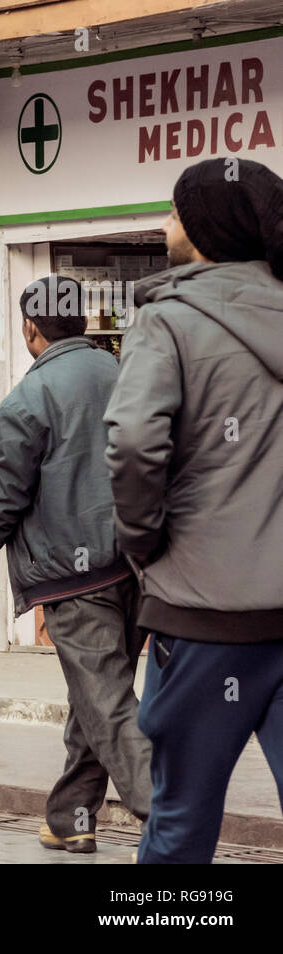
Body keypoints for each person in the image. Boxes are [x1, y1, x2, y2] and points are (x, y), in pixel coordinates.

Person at [105, 158, 283, 864]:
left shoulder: (170, 320)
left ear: (206, 228)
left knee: (180, 817)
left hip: (207, 617)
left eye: (176, 213)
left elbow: (133, 441)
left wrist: (143, 540)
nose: (165, 224)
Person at [0, 275, 147, 856]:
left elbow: (1, 495)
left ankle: (172, 813)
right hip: (137, 568)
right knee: (95, 693)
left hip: (76, 576)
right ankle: (71, 818)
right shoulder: (124, 376)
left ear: (30, 329)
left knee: (107, 701)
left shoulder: (27, 399)